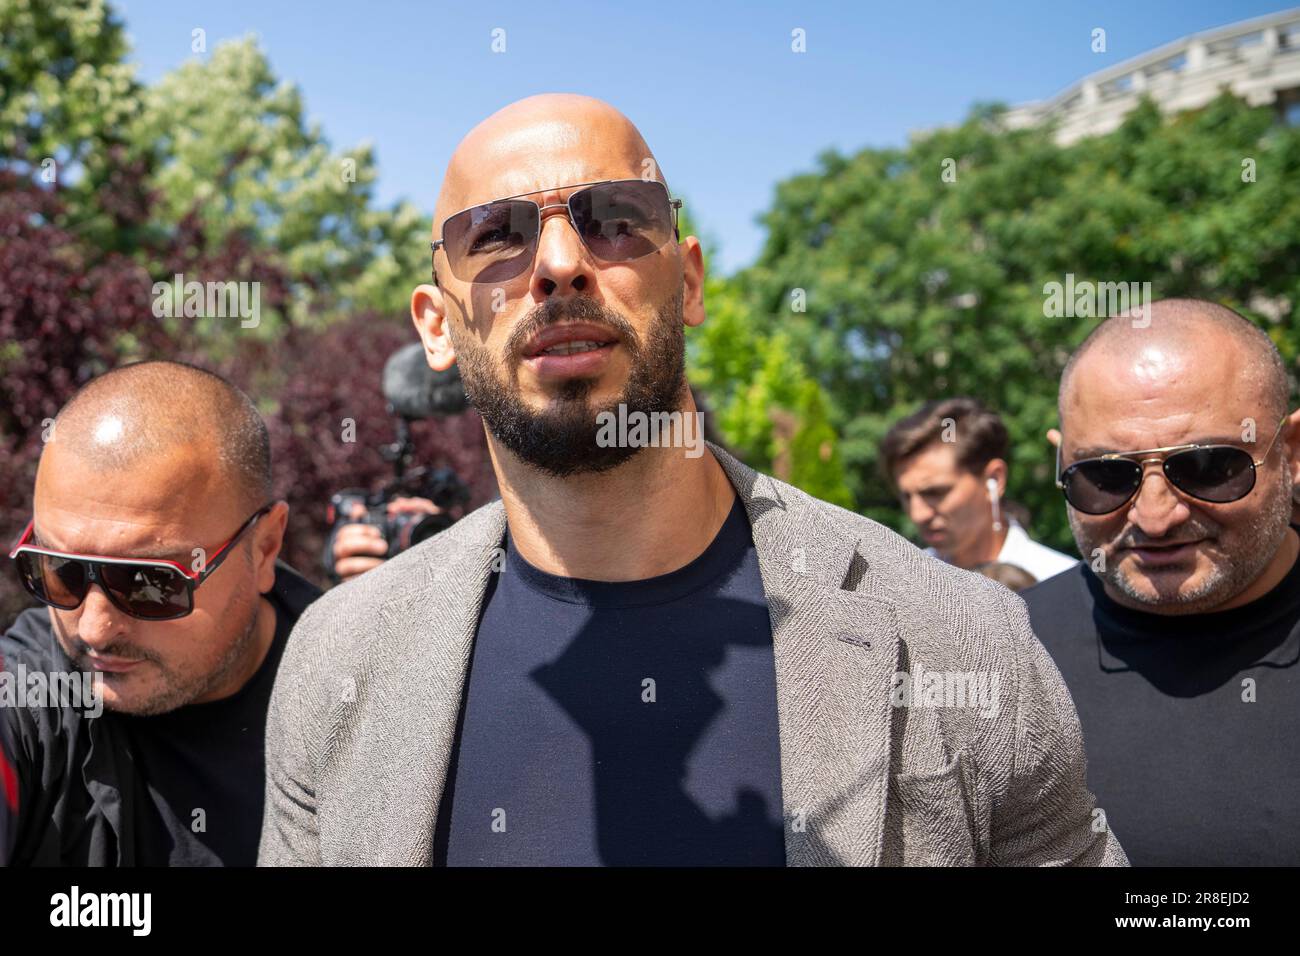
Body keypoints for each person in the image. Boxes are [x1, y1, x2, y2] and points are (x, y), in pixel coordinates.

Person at [260, 93, 1125, 867]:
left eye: (614, 220)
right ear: (436, 327)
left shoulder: (960, 639)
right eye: (496, 235)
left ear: (692, 282)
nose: (561, 263)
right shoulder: (338, 661)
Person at [0, 361, 319, 865]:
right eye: (60, 571)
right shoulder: (31, 688)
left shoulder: (366, 705)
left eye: (149, 584)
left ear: (264, 548)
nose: (93, 628)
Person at [1022, 299, 1300, 866]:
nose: (1154, 516)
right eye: (1105, 475)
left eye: (1206, 468)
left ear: (1292, 454)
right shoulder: (1002, 653)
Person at [881, 398, 1077, 580]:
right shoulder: (903, 582)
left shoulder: (1060, 581)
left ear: (994, 478)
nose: (918, 514)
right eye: (906, 496)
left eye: (935, 493)